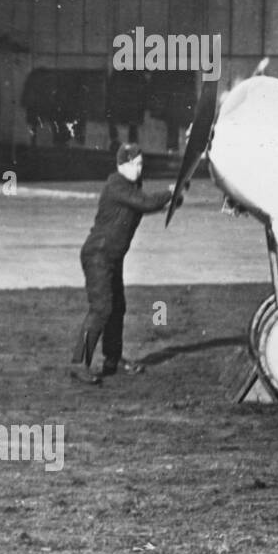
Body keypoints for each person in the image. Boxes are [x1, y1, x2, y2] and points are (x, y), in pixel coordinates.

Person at [68, 143, 173, 385]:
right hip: (98, 255)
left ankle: (112, 360)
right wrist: (169, 193)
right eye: (134, 165)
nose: (139, 169)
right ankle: (78, 363)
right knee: (101, 308)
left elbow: (139, 208)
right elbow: (145, 203)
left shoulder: (131, 187)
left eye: (141, 165)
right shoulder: (116, 184)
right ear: (121, 165)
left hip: (112, 257)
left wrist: (166, 205)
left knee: (117, 308)